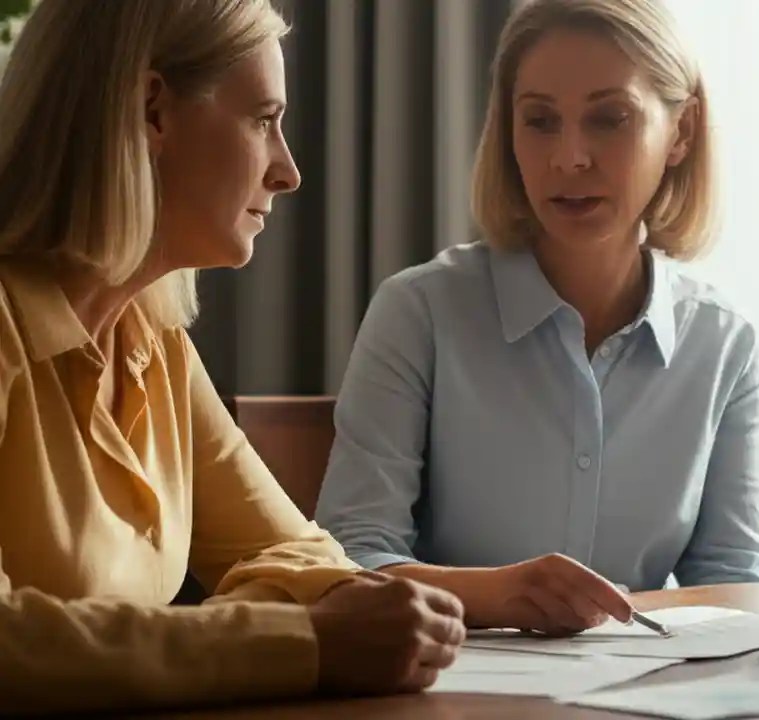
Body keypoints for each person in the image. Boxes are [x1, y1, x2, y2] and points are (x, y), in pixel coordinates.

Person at [0, 1, 464, 714]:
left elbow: (304, 558)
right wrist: (294, 642)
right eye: (262, 119)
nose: (289, 171)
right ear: (154, 111)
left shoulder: (153, 345)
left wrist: (246, 636)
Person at [316, 0, 759, 636]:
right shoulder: (420, 312)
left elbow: (734, 579)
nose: (569, 158)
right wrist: (497, 594)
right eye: (538, 121)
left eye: (609, 119)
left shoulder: (723, 341)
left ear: (683, 132)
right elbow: (345, 565)